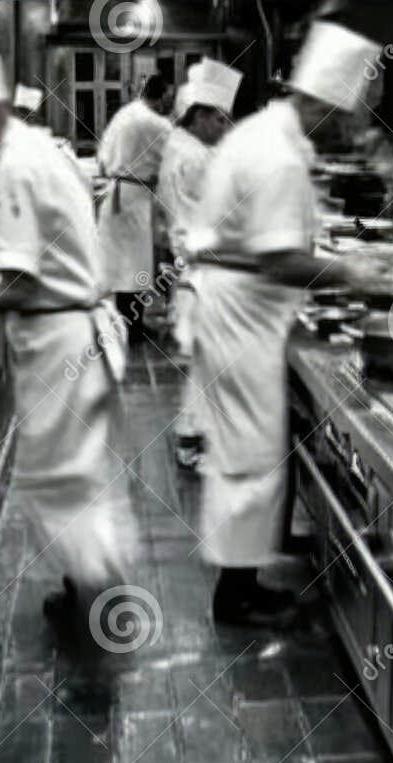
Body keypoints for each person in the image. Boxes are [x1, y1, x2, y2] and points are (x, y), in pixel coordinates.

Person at [0, 50, 139, 646]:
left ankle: (101, 618)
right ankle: (87, 593)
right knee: (75, 474)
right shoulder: (40, 148)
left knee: (61, 481)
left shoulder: (15, 167)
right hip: (77, 332)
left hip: (60, 343)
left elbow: (18, 284)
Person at [190, 21, 383, 625]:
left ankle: (250, 565)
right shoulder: (277, 155)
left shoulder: (266, 133)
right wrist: (352, 273)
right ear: (322, 106)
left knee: (253, 448)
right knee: (249, 453)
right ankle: (236, 597)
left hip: (238, 308)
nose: (349, 131)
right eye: (345, 118)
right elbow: (280, 259)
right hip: (241, 316)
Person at [157, 60, 241, 472]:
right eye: (221, 120)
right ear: (201, 116)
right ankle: (193, 443)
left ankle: (196, 439)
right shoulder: (195, 157)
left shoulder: (182, 144)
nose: (226, 128)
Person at [96, 74, 174, 344]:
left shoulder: (124, 114)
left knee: (122, 267)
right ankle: (133, 327)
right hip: (136, 196)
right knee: (135, 267)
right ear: (162, 97)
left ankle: (127, 323)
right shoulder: (158, 124)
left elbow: (102, 157)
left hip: (117, 191)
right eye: (168, 97)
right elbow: (173, 162)